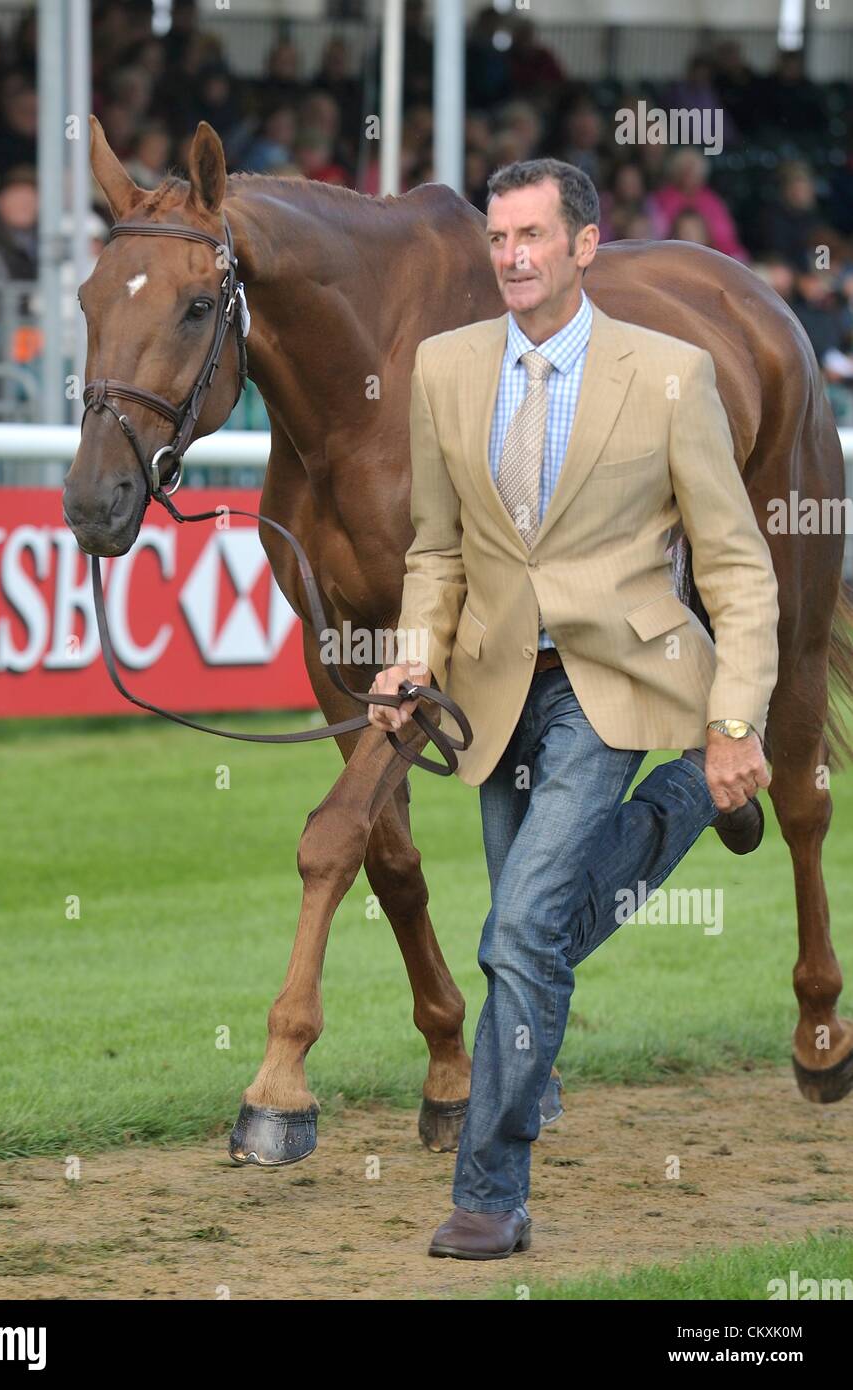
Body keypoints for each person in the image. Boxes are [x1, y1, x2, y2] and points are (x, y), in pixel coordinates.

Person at [367, 158, 779, 1259]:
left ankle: (491, 1192)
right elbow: (437, 550)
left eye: (533, 236)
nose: (510, 256)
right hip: (494, 693)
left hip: (619, 685)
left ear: (584, 246)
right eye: (498, 237)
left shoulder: (673, 373)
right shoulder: (445, 369)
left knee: (519, 930)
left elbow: (736, 566)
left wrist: (733, 715)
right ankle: (687, 798)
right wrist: (408, 662)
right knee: (531, 939)